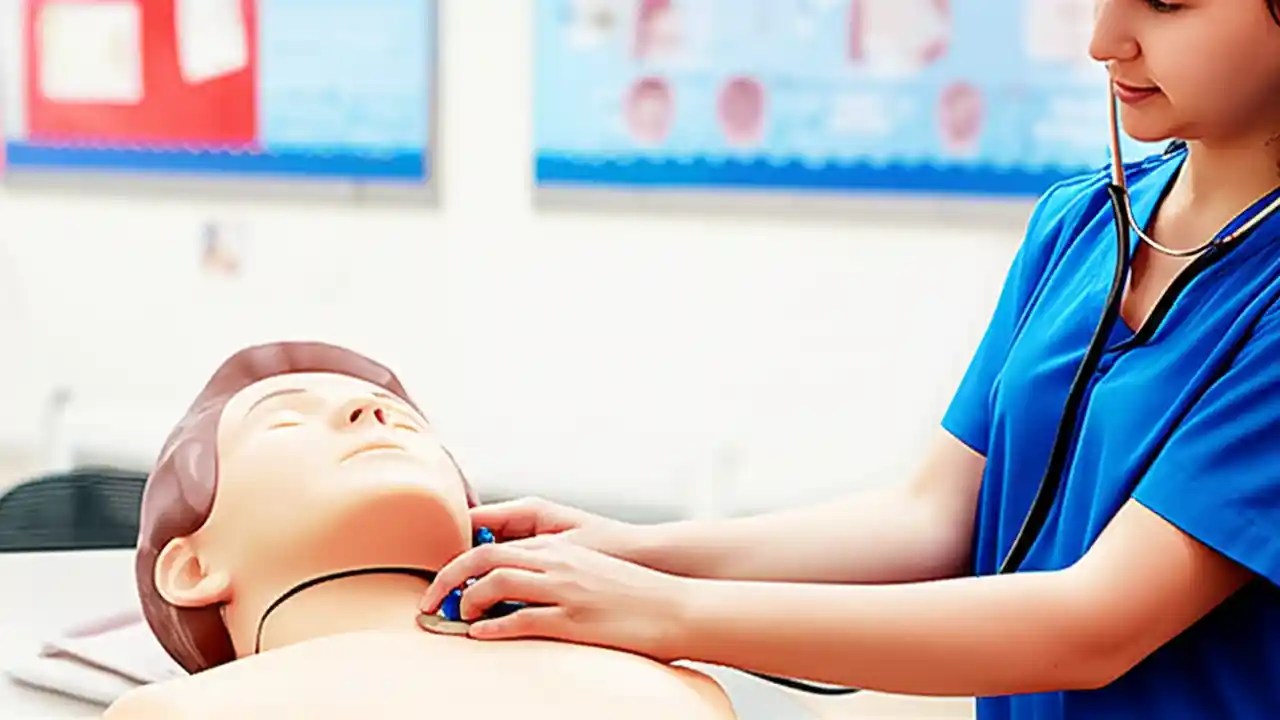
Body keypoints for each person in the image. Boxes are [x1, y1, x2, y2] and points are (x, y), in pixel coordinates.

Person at [421, 2, 1280, 718]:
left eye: (1169, 1)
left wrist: (662, 611)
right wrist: (632, 553)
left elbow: (1093, 625)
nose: (1104, 39)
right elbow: (936, 521)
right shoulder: (1080, 223)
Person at [104, 342, 740, 719]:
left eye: (404, 421)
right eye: (286, 422)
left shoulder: (668, 688)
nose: (372, 411)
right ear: (192, 568)